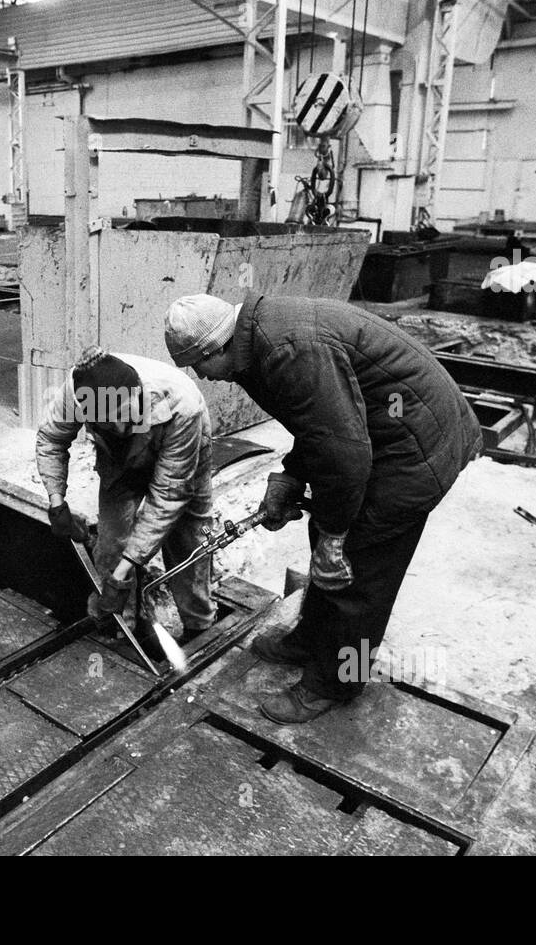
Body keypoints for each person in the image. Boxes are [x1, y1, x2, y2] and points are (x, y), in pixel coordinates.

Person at [164, 291, 481, 723]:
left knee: (356, 571)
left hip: (415, 449)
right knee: (328, 544)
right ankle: (310, 640)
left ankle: (334, 684)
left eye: (198, 365)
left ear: (215, 347)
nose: (202, 377)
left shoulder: (287, 350)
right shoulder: (259, 337)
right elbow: (321, 425)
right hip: (386, 432)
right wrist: (291, 478)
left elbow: (344, 455)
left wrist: (335, 536)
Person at [35, 346, 216, 652]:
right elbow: (51, 438)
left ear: (137, 397)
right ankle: (121, 629)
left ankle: (200, 627)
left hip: (180, 450)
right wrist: (57, 502)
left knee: (188, 541)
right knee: (111, 545)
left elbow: (168, 495)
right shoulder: (78, 390)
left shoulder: (183, 406)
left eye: (124, 417)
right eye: (107, 422)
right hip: (118, 459)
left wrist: (124, 572)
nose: (118, 427)